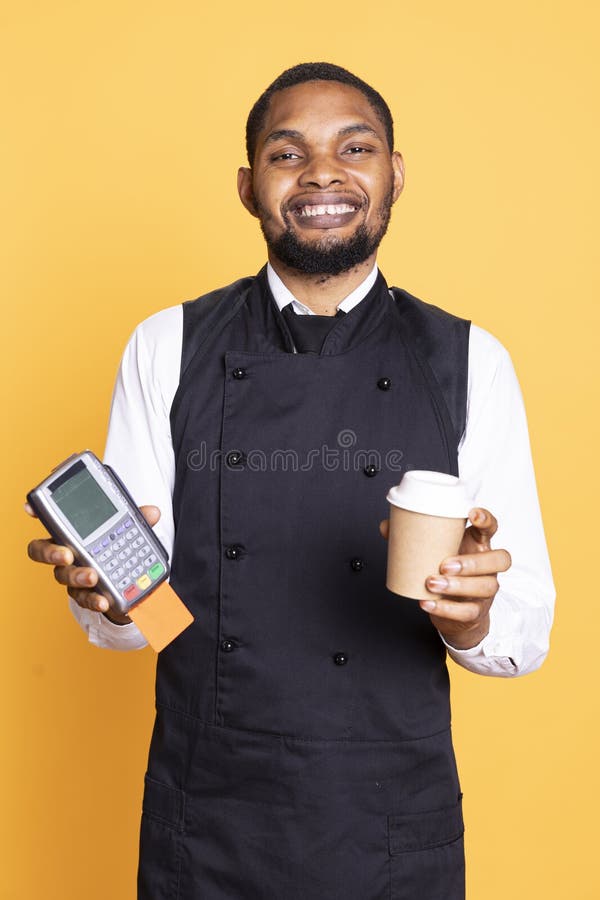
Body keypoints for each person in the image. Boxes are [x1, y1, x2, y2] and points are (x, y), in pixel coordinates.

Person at [27, 62, 554, 899]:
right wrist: (115, 602)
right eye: (287, 154)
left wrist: (473, 617)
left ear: (395, 175)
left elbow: (523, 635)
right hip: (210, 818)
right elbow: (153, 621)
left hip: (391, 822)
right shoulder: (169, 345)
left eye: (355, 148)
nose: (323, 174)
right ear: (248, 186)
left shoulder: (468, 360)